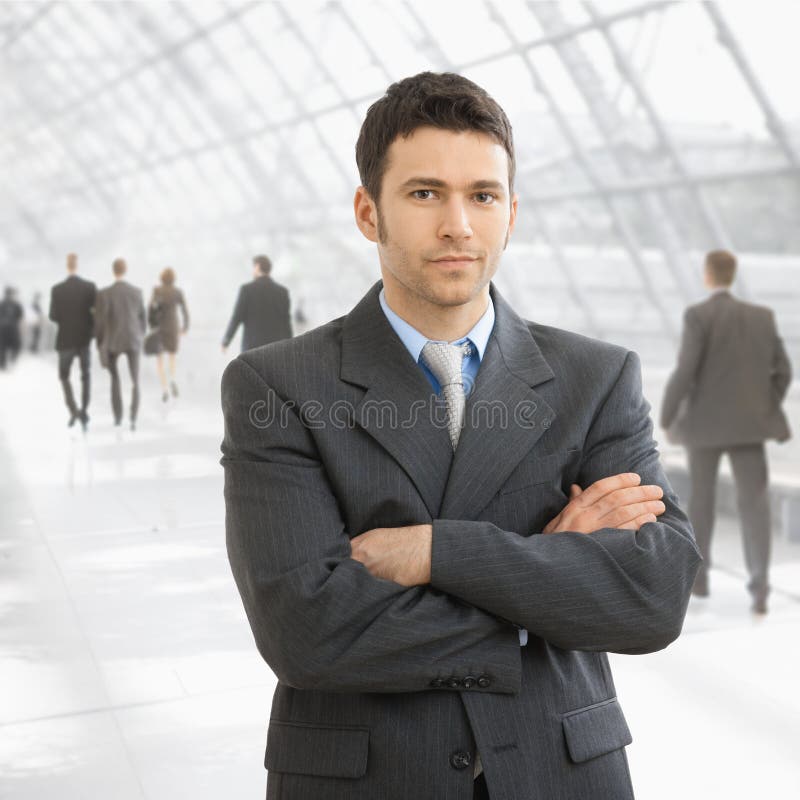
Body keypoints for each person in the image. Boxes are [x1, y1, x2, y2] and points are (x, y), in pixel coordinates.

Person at [221, 72, 701, 800]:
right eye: (424, 194)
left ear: (511, 212)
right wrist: (544, 579)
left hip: (560, 775)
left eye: (483, 195)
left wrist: (434, 550)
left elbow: (653, 593)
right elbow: (307, 632)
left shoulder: (595, 378)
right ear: (367, 211)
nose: (459, 225)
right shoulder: (279, 387)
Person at [661, 249, 792, 614]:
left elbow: (686, 370)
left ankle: (699, 580)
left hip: (704, 426)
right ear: (732, 275)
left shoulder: (699, 316)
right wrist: (764, 406)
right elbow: (783, 370)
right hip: (750, 426)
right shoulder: (761, 317)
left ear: (708, 275)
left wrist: (669, 417)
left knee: (701, 500)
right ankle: (761, 586)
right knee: (755, 504)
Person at [95, 258, 146, 431]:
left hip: (113, 341)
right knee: (135, 380)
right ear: (125, 270)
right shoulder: (137, 292)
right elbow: (143, 320)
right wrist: (140, 336)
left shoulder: (105, 293)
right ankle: (133, 418)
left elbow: (100, 322)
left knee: (115, 379)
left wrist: (100, 342)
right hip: (133, 339)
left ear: (113, 271)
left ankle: (118, 418)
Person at [49, 253, 97, 430]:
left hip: (65, 340)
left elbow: (53, 316)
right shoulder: (90, 287)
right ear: (77, 266)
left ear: (67, 266)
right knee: (86, 376)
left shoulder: (57, 289)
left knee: (64, 376)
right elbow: (95, 313)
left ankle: (73, 409)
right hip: (84, 339)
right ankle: (84, 411)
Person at [221, 254, 292, 353]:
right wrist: (290, 347)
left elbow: (237, 317)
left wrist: (226, 341)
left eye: (253, 267)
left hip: (252, 349)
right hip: (276, 349)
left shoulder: (246, 290)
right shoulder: (282, 292)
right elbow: (286, 323)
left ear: (257, 266)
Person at [148, 267, 189, 402]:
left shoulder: (157, 291)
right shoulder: (177, 292)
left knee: (159, 359)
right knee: (172, 356)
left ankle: (164, 389)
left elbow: (150, 309)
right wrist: (185, 327)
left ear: (162, 278)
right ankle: (172, 379)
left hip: (160, 328)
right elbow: (184, 311)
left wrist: (151, 325)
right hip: (173, 326)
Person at [0, 286, 24, 370]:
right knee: (4, 347)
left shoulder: (16, 304)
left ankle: (9, 361)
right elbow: (20, 317)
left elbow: (20, 317)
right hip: (6, 329)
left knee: (15, 346)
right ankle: (4, 364)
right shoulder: (4, 304)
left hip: (11, 329)